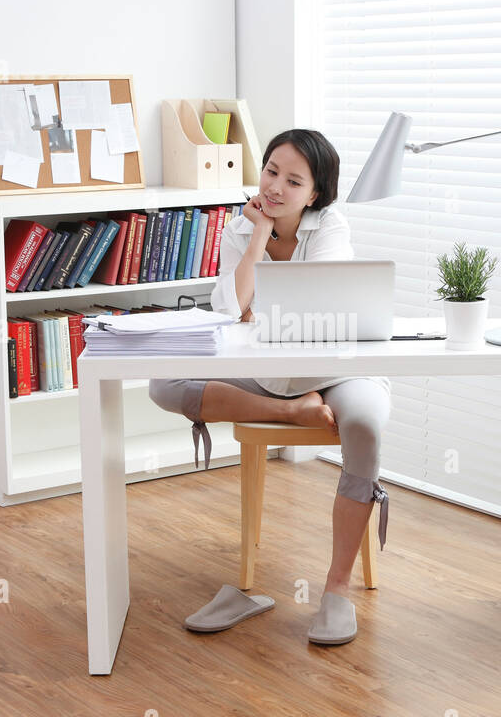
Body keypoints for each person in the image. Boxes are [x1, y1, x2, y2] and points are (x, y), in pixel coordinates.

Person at [149, 128, 392, 646]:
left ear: (316, 194)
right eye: (270, 171)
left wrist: (260, 311)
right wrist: (258, 238)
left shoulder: (330, 226)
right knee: (163, 382)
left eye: (293, 180)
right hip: (270, 375)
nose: (276, 187)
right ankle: (289, 413)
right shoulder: (242, 227)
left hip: (334, 370)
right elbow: (233, 308)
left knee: (366, 425)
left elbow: (317, 306)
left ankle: (336, 590)